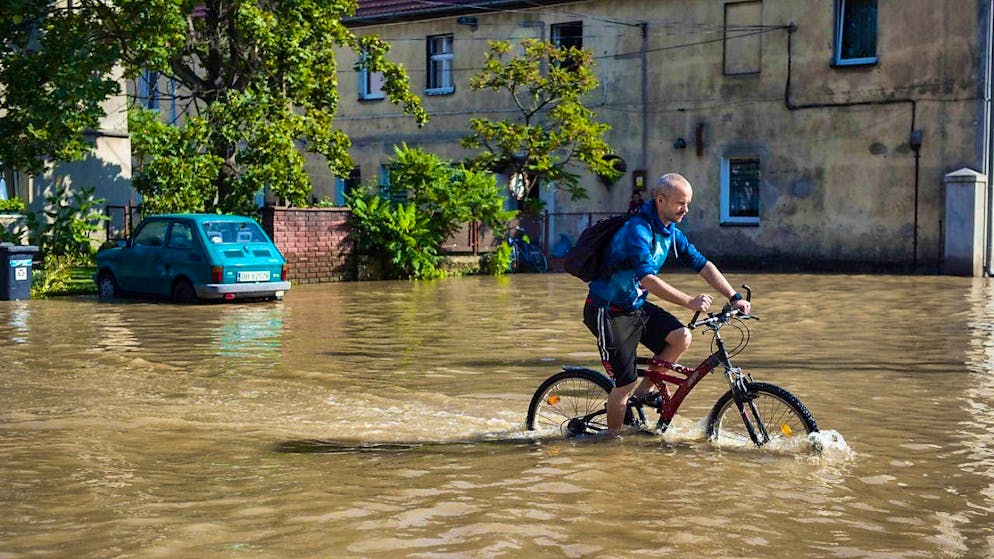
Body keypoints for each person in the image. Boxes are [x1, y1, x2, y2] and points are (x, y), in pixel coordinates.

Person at [583, 172, 751, 436]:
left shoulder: (670, 232)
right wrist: (689, 301)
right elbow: (647, 279)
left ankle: (642, 394)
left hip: (635, 306)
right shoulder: (638, 230)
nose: (686, 209)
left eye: (688, 203)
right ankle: (612, 444)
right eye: (680, 203)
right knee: (623, 385)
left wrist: (734, 297)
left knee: (681, 337)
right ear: (661, 200)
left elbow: (703, 264)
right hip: (608, 311)